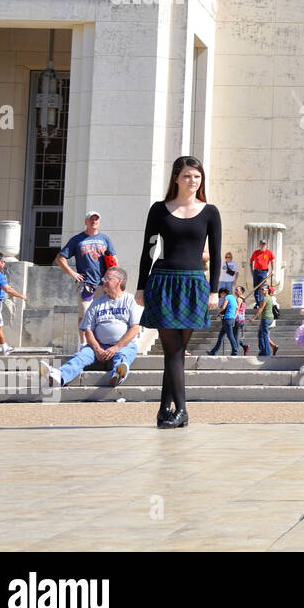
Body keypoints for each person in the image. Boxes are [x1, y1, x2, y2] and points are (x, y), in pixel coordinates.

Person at [137, 155, 222, 429]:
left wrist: (214, 291)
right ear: (176, 178)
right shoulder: (159, 210)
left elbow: (217, 255)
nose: (192, 181)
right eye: (187, 176)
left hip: (194, 283)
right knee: (172, 349)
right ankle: (180, 410)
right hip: (162, 281)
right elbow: (148, 250)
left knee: (175, 351)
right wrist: (140, 285)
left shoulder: (210, 212)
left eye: (197, 176)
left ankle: (166, 409)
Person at [41, 266, 141, 389]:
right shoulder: (97, 302)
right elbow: (88, 329)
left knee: (123, 356)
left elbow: (134, 328)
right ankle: (59, 376)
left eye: (107, 278)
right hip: (98, 345)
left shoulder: (130, 300)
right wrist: (98, 349)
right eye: (103, 278)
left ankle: (118, 374)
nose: (103, 281)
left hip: (124, 345)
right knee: (81, 356)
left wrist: (116, 347)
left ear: (119, 281)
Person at [56, 210, 117, 321]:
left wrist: (116, 279)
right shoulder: (77, 239)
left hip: (103, 284)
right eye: (91, 219)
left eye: (96, 219)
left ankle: (97, 338)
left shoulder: (105, 239)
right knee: (85, 315)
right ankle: (83, 339)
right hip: (85, 284)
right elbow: (60, 258)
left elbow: (114, 260)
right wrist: (72, 273)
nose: (94, 221)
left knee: (102, 316)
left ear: (99, 222)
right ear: (86, 221)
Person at [207, 287, 240, 356]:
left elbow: (223, 307)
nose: (221, 297)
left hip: (227, 319)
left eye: (220, 295)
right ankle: (213, 352)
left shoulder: (227, 297)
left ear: (223, 293)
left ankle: (235, 352)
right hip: (231, 319)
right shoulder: (233, 297)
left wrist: (217, 312)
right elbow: (237, 308)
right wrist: (234, 318)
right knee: (221, 337)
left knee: (230, 336)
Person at [249, 284, 279, 356]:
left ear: (267, 291)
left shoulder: (265, 298)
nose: (260, 291)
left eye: (262, 289)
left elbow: (261, 309)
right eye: (260, 289)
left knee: (264, 335)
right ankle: (262, 351)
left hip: (266, 318)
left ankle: (266, 352)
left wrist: (253, 318)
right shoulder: (269, 298)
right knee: (260, 334)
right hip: (268, 318)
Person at [249, 240, 274, 308]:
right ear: (259, 245)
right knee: (256, 288)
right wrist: (251, 271)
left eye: (264, 244)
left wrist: (273, 270)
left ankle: (262, 303)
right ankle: (258, 303)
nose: (263, 246)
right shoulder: (256, 252)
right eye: (262, 244)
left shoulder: (269, 252)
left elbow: (272, 261)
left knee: (263, 288)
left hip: (264, 272)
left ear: (266, 245)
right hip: (256, 272)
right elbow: (251, 262)